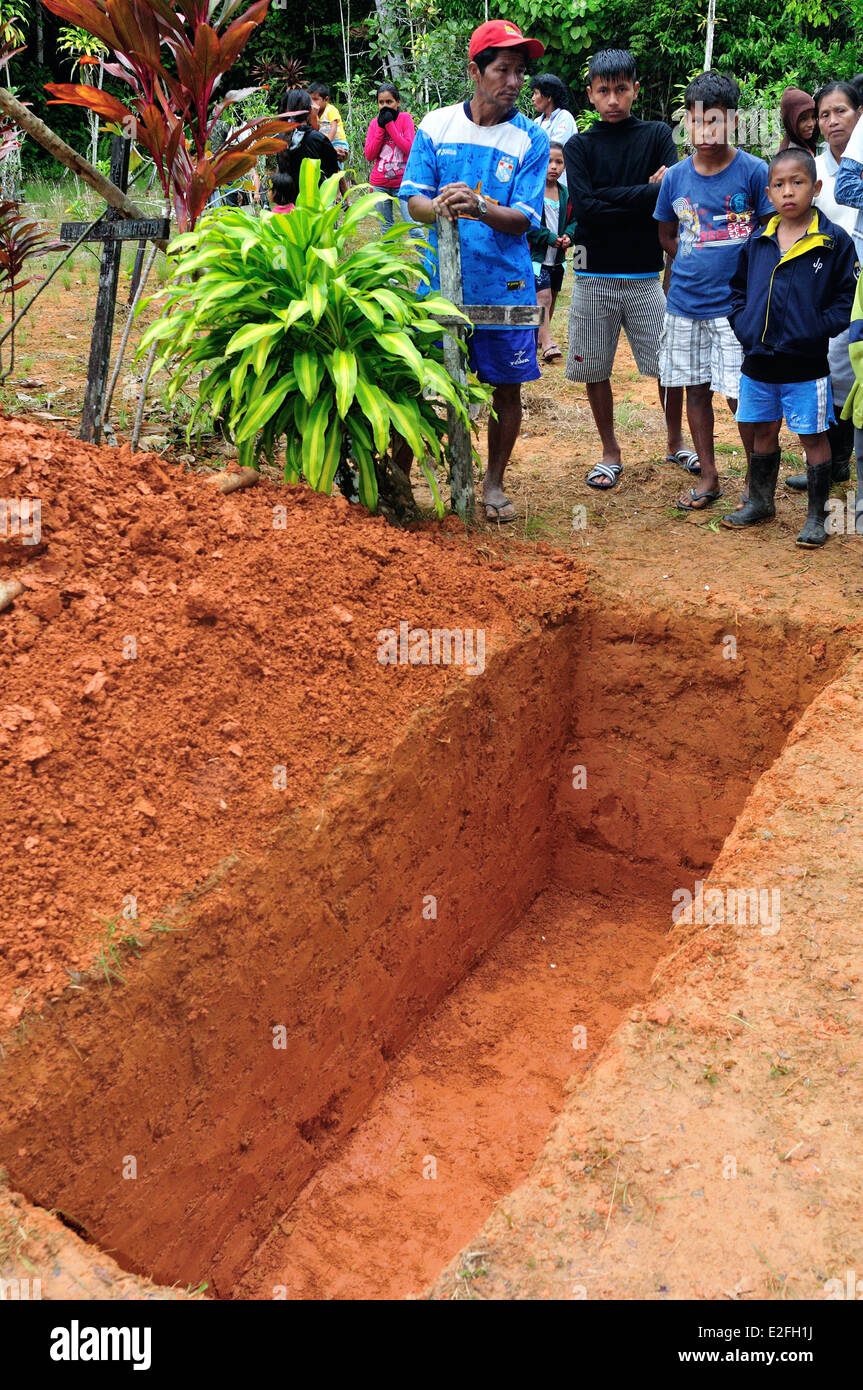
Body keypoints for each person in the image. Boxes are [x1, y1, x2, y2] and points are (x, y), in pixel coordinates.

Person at [401, 18, 548, 524]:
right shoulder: (435, 125)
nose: (514, 81)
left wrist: (480, 206)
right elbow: (413, 201)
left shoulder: (530, 139)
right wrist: (440, 206)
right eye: (503, 69)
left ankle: (493, 482)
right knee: (420, 382)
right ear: (475, 71)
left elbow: (524, 219)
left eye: (520, 71)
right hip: (437, 285)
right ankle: (399, 476)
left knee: (506, 387)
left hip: (505, 285)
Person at [563, 47, 696, 490]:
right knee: (594, 367)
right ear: (590, 94)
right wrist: (644, 192)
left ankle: (676, 441)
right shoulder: (579, 146)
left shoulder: (657, 135)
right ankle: (610, 451)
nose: (613, 99)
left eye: (621, 89)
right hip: (591, 274)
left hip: (645, 274)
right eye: (604, 91)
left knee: (668, 366)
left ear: (635, 90)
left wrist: (609, 196)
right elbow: (584, 209)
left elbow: (669, 197)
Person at [721, 149, 857, 547]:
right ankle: (760, 502)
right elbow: (737, 290)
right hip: (758, 363)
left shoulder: (833, 242)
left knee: (813, 436)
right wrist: (745, 326)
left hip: (806, 365)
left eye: (797, 182)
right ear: (768, 193)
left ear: (816, 187)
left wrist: (815, 329)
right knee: (762, 430)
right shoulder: (758, 240)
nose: (788, 192)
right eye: (779, 185)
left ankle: (817, 517)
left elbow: (846, 298)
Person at [655, 70, 773, 511]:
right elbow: (667, 234)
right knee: (696, 389)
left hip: (736, 310)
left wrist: (748, 285)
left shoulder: (754, 172)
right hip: (685, 304)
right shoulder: (675, 178)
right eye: (696, 121)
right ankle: (709, 476)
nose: (705, 131)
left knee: (741, 394)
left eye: (715, 121)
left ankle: (756, 483)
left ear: (734, 121)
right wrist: (691, 261)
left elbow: (769, 235)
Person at [785, 80, 862, 492]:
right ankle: (833, 464)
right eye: (824, 114)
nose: (832, 121)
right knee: (829, 372)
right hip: (826, 288)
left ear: (859, 114)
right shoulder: (811, 170)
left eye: (841, 111)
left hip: (859, 289)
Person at [528, 142, 577, 361]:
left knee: (552, 297)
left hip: (557, 258)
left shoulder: (565, 193)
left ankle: (539, 338)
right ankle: (547, 343)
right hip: (537, 256)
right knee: (543, 296)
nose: (553, 166)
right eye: (548, 161)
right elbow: (528, 223)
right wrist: (548, 237)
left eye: (559, 162)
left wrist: (569, 235)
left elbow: (575, 220)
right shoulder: (534, 191)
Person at [363, 83, 416, 228]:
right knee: (386, 227)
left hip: (403, 183)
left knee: (413, 226)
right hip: (379, 183)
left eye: (389, 102)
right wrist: (381, 128)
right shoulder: (375, 124)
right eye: (381, 102)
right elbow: (369, 155)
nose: (385, 106)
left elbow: (409, 149)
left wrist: (390, 125)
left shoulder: (405, 119)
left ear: (398, 102)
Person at [275, 89, 345, 196]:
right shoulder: (317, 138)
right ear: (309, 110)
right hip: (314, 198)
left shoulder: (280, 138)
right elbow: (331, 171)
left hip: (289, 198)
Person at [530, 73, 577, 146]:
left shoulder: (564, 117)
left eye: (536, 93)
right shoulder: (536, 121)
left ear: (549, 97)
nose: (533, 98)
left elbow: (557, 148)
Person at [308, 81, 349, 164]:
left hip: (338, 143)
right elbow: (316, 129)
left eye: (315, 99)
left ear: (326, 99)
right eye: (310, 99)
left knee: (335, 164)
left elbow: (334, 128)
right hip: (326, 143)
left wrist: (327, 144)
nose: (312, 103)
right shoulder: (314, 112)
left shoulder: (330, 110)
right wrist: (313, 116)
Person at [777, 86, 817, 155]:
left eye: (813, 117)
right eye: (803, 119)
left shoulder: (805, 143)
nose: (811, 124)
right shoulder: (791, 155)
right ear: (790, 122)